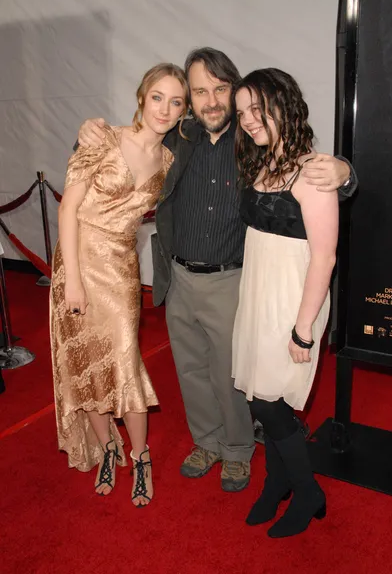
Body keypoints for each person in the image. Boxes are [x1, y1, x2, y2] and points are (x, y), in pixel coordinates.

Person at [77, 47, 356, 493]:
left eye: (220, 89)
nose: (210, 101)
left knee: (230, 374)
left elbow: (304, 168)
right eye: (199, 91)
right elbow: (128, 140)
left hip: (232, 279)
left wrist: (345, 172)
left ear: (234, 90)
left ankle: (238, 450)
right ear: (189, 98)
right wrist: (89, 131)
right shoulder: (176, 137)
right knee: (190, 370)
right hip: (179, 276)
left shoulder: (253, 140)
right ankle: (206, 442)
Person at [50, 63, 189, 507]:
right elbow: (67, 210)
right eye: (157, 97)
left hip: (120, 268)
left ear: (184, 110)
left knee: (124, 361)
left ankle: (140, 455)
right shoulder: (104, 137)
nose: (165, 109)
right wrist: (72, 280)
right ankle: (109, 447)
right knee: (84, 363)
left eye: (176, 101)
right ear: (141, 96)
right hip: (77, 263)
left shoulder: (170, 160)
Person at [232, 68, 338, 537]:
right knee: (259, 399)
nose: (249, 120)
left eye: (257, 109)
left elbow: (325, 256)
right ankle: (277, 482)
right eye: (242, 113)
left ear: (283, 104)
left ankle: (306, 489)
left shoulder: (312, 171)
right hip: (258, 292)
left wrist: (303, 327)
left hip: (293, 299)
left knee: (273, 406)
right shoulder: (261, 162)